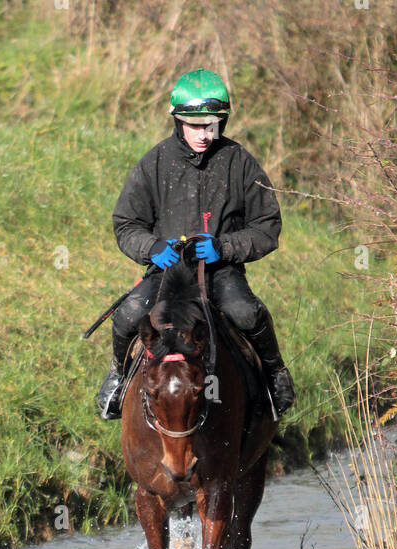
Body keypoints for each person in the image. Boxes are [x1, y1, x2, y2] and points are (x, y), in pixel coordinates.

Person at [96, 67, 296, 420]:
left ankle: (276, 374)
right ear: (178, 121)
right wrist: (153, 248)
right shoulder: (153, 163)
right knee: (129, 313)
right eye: (195, 125)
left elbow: (267, 226)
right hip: (168, 270)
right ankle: (116, 374)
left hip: (221, 270)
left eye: (212, 124)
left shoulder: (240, 162)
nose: (204, 134)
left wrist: (225, 248)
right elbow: (126, 224)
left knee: (245, 311)